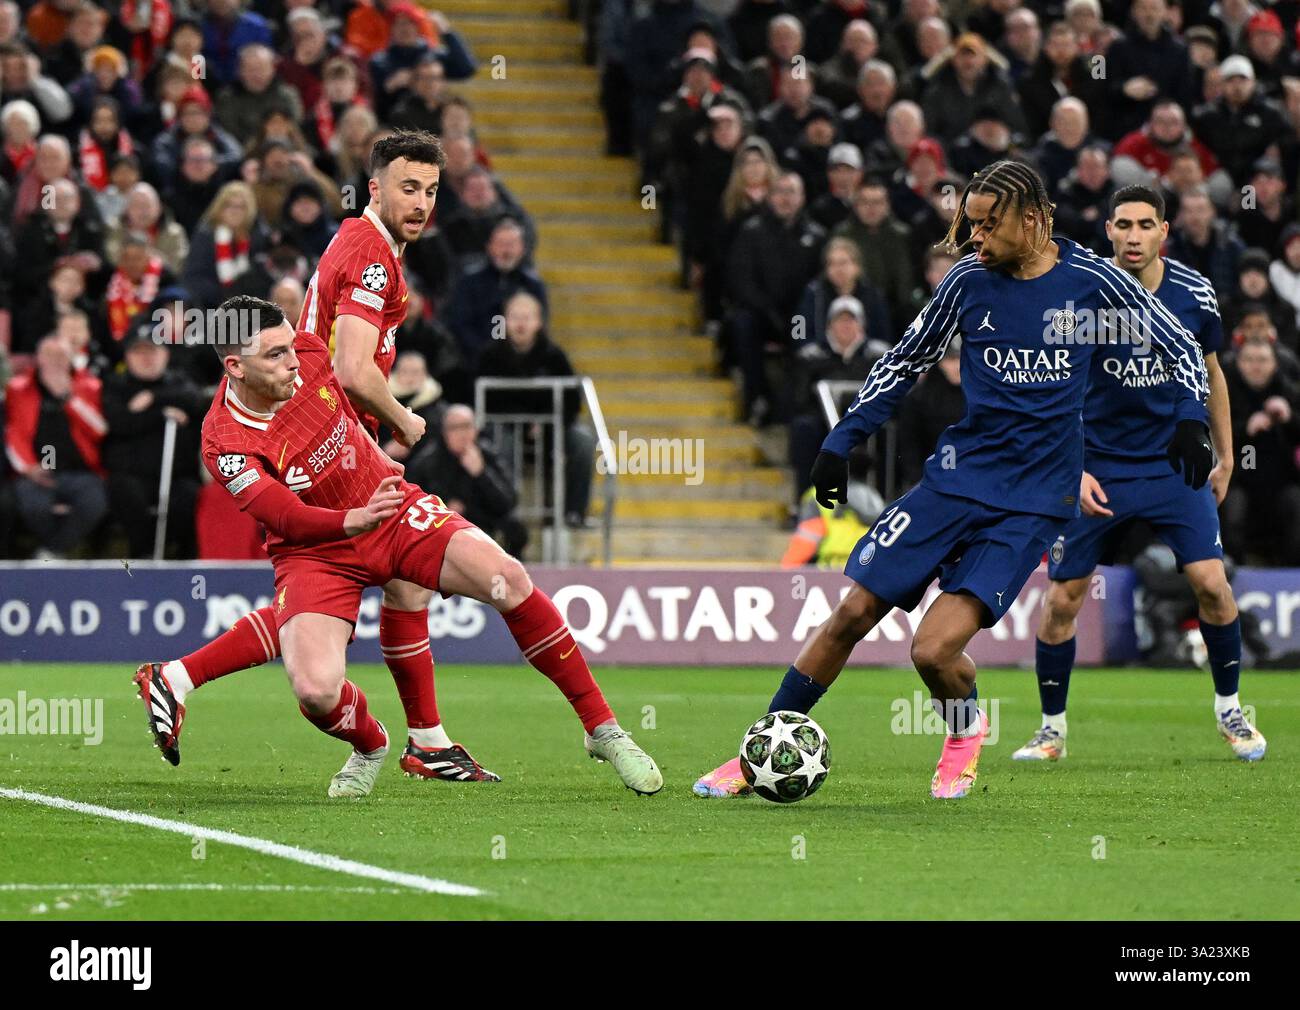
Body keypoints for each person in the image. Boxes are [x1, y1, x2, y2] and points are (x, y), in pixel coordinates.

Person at [693, 160, 1213, 801]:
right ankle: (754, 759)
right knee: (852, 611)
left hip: (1032, 504)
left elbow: (1180, 346)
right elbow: (905, 360)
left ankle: (965, 732)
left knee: (933, 653)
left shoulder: (1094, 280)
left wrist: (1192, 420)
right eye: (968, 225)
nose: (973, 239)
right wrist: (840, 441)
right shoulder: (968, 281)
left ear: (1032, 218)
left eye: (987, 226)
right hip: (955, 482)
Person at [136, 296, 661, 798]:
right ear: (235, 366)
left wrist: (379, 451)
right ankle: (372, 745)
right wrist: (353, 520)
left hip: (392, 511)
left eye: (291, 346)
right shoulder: (223, 440)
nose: (294, 362)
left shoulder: (313, 356)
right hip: (315, 551)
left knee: (508, 578)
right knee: (316, 690)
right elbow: (285, 516)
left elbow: (351, 405)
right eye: (276, 355)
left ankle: (602, 728)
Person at [133, 132, 491, 786]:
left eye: (430, 191)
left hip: (349, 448)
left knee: (406, 580)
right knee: (320, 671)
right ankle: (408, 741)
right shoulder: (226, 435)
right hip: (327, 477)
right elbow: (287, 514)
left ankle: (427, 741)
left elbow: (337, 350)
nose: (423, 203)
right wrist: (394, 430)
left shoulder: (327, 301)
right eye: (411, 188)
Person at [1013, 185, 1265, 765]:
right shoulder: (1082, 293)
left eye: (1145, 224)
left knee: (1212, 584)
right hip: (1096, 466)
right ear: (1108, 231)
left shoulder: (1195, 292)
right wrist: (1071, 468)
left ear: (1163, 232)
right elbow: (1055, 387)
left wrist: (1226, 456)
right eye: (1123, 224)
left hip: (1171, 465)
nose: (1133, 235)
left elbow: (1212, 375)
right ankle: (1051, 729)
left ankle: (1230, 709)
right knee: (1062, 600)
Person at [101, 328, 205, 558]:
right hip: (131, 474)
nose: (146, 358)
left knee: (190, 498)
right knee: (126, 494)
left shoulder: (179, 381)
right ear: (128, 357)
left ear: (165, 354)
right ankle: (143, 557)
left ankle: (183, 560)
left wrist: (154, 399)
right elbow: (120, 422)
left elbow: (196, 400)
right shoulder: (116, 386)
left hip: (178, 476)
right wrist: (161, 415)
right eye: (139, 352)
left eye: (152, 351)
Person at [4, 333, 108, 559]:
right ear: (38, 358)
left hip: (80, 472)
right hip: (36, 472)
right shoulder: (19, 388)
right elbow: (14, 434)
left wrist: (68, 398)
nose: (55, 361)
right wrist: (28, 468)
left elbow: (99, 429)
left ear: (71, 358)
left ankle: (50, 552)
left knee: (95, 503)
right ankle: (55, 551)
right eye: (49, 355)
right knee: (33, 507)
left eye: (61, 355)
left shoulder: (90, 385)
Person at [406, 404, 527, 559]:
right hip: (442, 524)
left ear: (475, 430)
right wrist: (442, 507)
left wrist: (481, 473)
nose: (462, 434)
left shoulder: (488, 454)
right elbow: (413, 499)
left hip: (483, 524)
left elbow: (508, 500)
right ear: (444, 432)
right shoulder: (428, 460)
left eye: (467, 426)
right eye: (455, 428)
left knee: (514, 526)